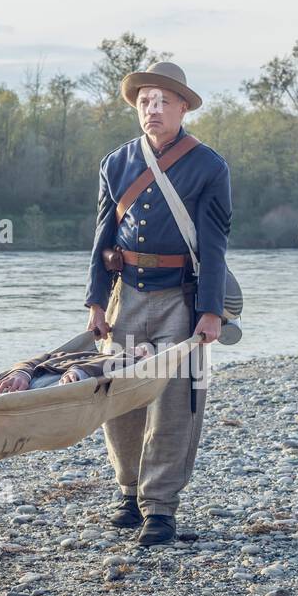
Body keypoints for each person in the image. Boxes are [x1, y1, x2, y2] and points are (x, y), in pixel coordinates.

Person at [82, 62, 231, 546]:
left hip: (182, 301)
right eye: (146, 101)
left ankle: (161, 508)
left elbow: (214, 246)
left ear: (183, 107)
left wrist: (210, 311)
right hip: (127, 295)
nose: (154, 109)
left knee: (175, 403)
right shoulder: (116, 162)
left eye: (164, 101)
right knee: (118, 396)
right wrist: (96, 301)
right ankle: (129, 492)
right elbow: (102, 237)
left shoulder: (209, 166)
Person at [0, 341, 155, 393]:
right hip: (18, 387)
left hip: (58, 390)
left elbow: (118, 361)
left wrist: (79, 372)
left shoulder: (112, 361)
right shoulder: (62, 356)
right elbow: (42, 358)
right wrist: (21, 372)